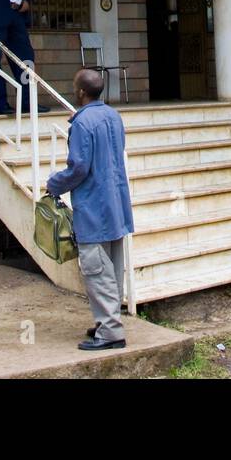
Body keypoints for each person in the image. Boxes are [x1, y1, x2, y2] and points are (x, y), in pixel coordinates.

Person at [45, 68, 134, 351]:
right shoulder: (113, 115)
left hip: (94, 207)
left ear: (81, 92)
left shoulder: (83, 123)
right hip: (116, 204)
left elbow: (79, 168)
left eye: (75, 86)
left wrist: (54, 184)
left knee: (96, 270)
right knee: (113, 267)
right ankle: (107, 321)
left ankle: (110, 332)